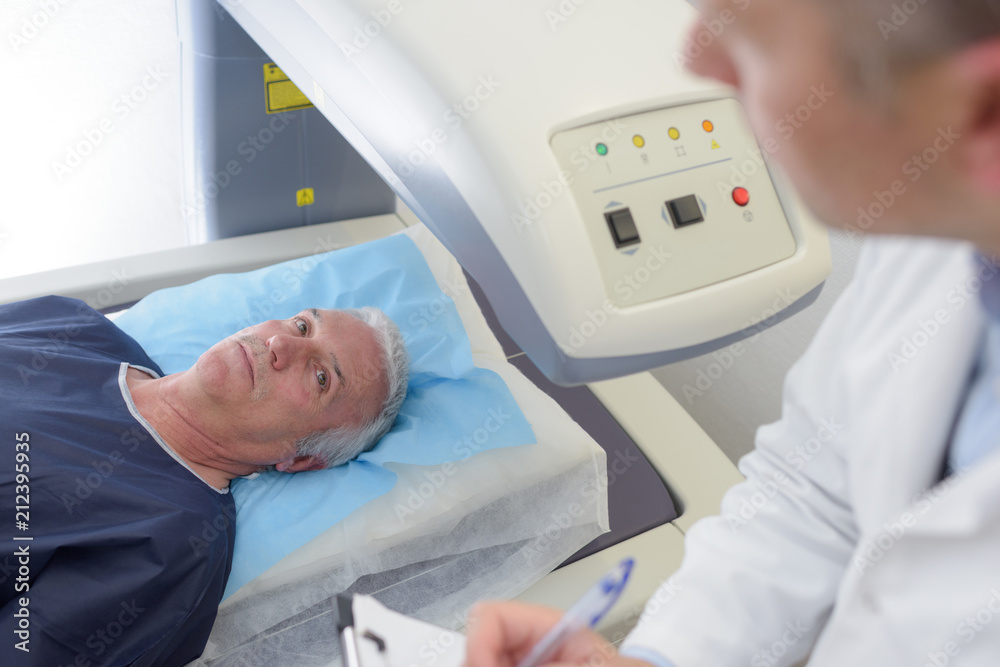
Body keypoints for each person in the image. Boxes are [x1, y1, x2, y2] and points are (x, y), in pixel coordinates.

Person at [464, 0, 1000, 665]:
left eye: (750, 42)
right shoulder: (947, 227)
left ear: (982, 112)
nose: (695, 60)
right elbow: (815, 491)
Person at [0, 295, 408, 666]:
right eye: (302, 326)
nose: (281, 345)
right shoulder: (70, 325)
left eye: (321, 377)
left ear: (302, 459)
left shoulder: (173, 546)